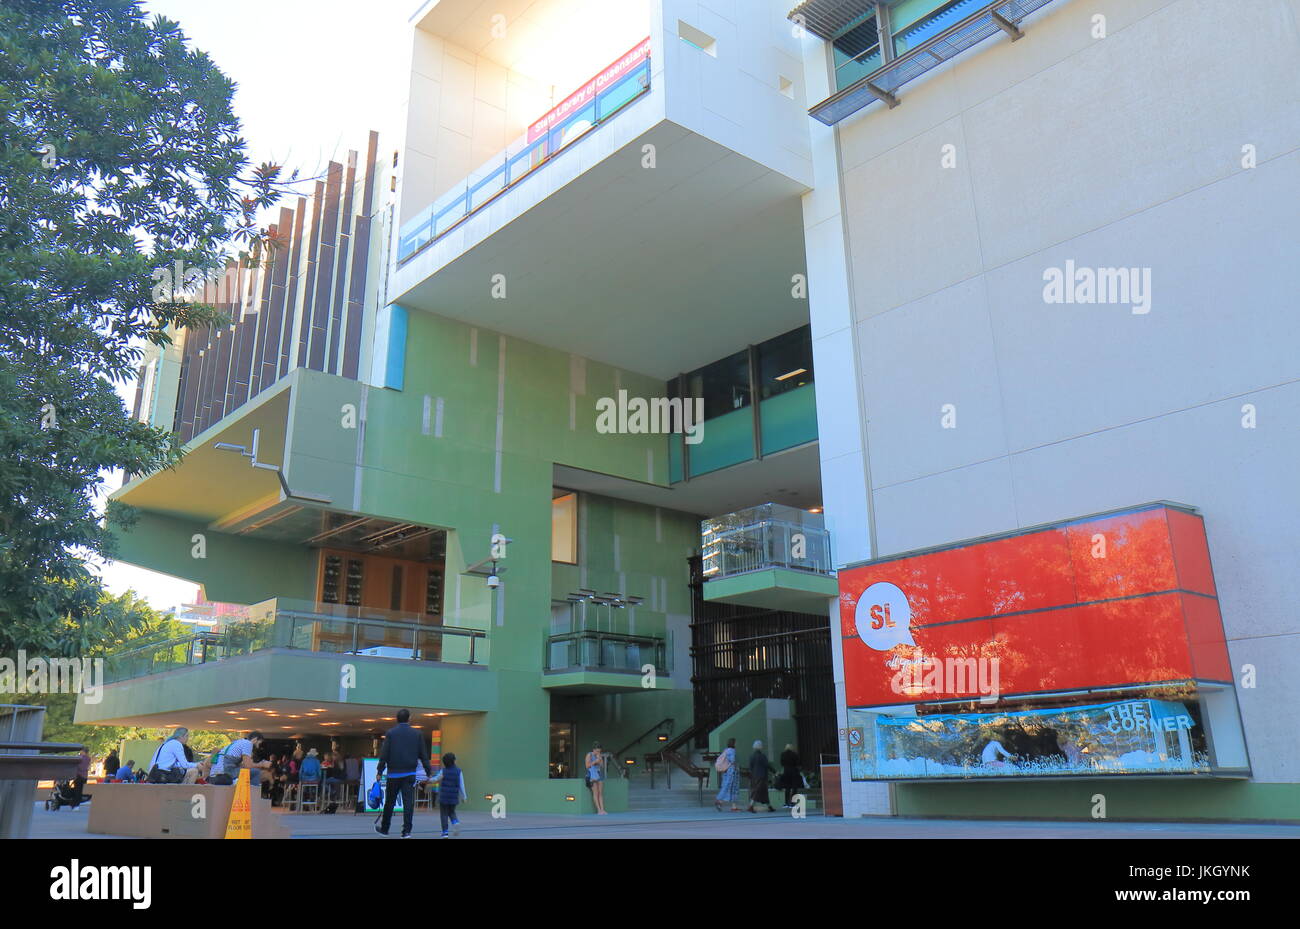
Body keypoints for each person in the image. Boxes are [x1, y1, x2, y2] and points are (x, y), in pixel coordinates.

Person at [375, 708, 432, 838]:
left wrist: (380, 770)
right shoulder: (417, 734)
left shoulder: (390, 733)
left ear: (396, 719)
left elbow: (384, 754)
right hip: (409, 774)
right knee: (408, 803)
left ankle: (385, 828)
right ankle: (406, 831)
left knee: (390, 802)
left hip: (393, 774)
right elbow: (423, 755)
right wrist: (428, 771)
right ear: (409, 719)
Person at [430, 752, 467, 838]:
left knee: (444, 814)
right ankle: (455, 822)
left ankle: (445, 832)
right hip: (453, 797)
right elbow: (462, 785)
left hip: (444, 797)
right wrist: (464, 797)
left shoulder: (443, 771)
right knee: (452, 812)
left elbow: (436, 779)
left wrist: (429, 780)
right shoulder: (459, 771)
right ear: (454, 761)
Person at [746, 740, 774, 813]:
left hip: (754, 776)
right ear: (761, 747)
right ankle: (751, 806)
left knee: (762, 792)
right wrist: (775, 772)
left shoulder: (751, 756)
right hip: (762, 776)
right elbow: (767, 765)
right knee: (758, 792)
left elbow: (750, 767)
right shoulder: (762, 756)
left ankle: (769, 806)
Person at [714, 737, 740, 812]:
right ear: (733, 743)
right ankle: (719, 801)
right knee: (730, 788)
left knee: (728, 787)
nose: (736, 743)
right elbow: (733, 760)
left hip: (727, 772)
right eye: (735, 742)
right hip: (732, 772)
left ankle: (734, 806)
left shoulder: (726, 750)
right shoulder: (732, 751)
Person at [585, 742, 608, 815]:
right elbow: (587, 766)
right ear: (593, 750)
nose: (598, 752)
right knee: (595, 793)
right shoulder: (589, 755)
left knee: (600, 793)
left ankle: (602, 809)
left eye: (599, 751)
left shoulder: (599, 756)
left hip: (599, 775)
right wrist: (595, 761)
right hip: (592, 775)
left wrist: (600, 760)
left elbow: (602, 767)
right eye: (597, 751)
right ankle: (599, 810)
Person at [779, 743, 801, 808]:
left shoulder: (783, 754)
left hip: (786, 772)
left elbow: (782, 763)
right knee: (794, 787)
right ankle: (793, 803)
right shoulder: (794, 754)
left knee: (787, 787)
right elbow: (798, 763)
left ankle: (786, 803)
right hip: (794, 772)